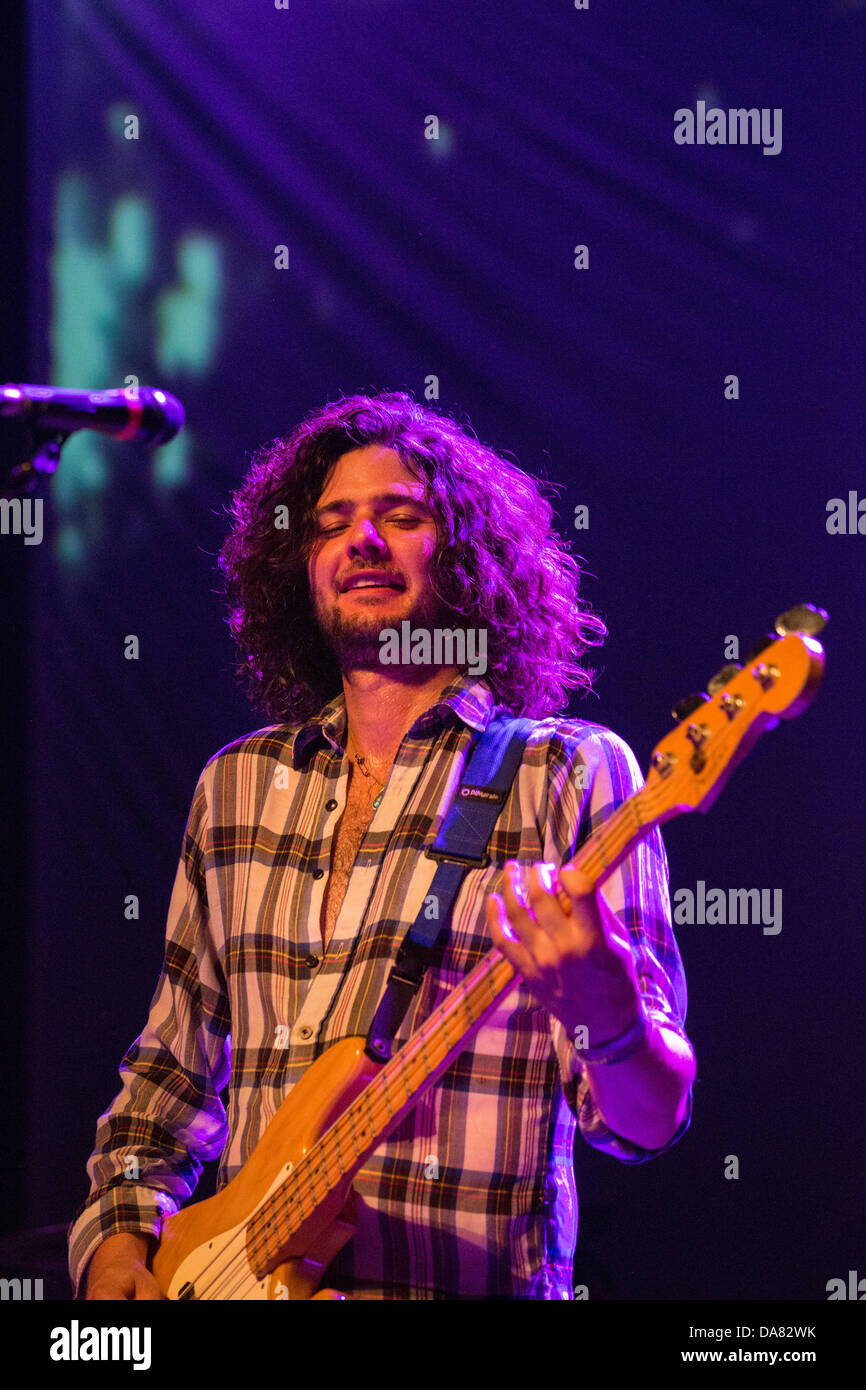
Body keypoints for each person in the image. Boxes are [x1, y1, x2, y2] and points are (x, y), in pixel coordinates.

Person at [68, 390, 696, 1301]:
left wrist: (609, 1006)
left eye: (402, 516)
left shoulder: (566, 772)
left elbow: (645, 1122)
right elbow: (167, 1080)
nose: (363, 540)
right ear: (302, 566)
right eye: (333, 524)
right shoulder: (237, 785)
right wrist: (119, 1241)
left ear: (470, 559)